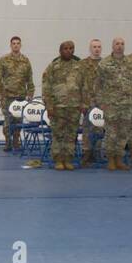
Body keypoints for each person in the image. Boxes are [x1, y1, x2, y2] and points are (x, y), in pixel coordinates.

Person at [96, 37, 132, 171]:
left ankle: (119, 158)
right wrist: (101, 102)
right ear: (112, 46)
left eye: (122, 44)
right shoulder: (104, 63)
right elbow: (98, 85)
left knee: (123, 133)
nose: (120, 46)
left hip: (127, 104)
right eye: (117, 44)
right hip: (111, 104)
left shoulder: (131, 63)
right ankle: (111, 159)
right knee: (111, 133)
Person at [42, 41, 82, 170]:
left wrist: (84, 103)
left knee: (71, 135)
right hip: (58, 107)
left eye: (71, 48)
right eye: (66, 48)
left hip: (74, 106)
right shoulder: (53, 67)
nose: (68, 51)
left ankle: (68, 159)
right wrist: (49, 106)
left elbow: (84, 86)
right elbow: (46, 87)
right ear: (60, 51)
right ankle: (58, 160)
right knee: (58, 134)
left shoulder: (79, 66)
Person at [0, 36, 34, 152]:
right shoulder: (4, 60)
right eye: (14, 43)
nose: (16, 45)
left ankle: (16, 141)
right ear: (10, 45)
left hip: (21, 96)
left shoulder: (25, 60)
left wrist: (30, 94)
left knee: (18, 121)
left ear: (20, 45)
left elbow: (29, 79)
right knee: (8, 120)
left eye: (18, 43)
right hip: (7, 96)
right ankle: (8, 142)